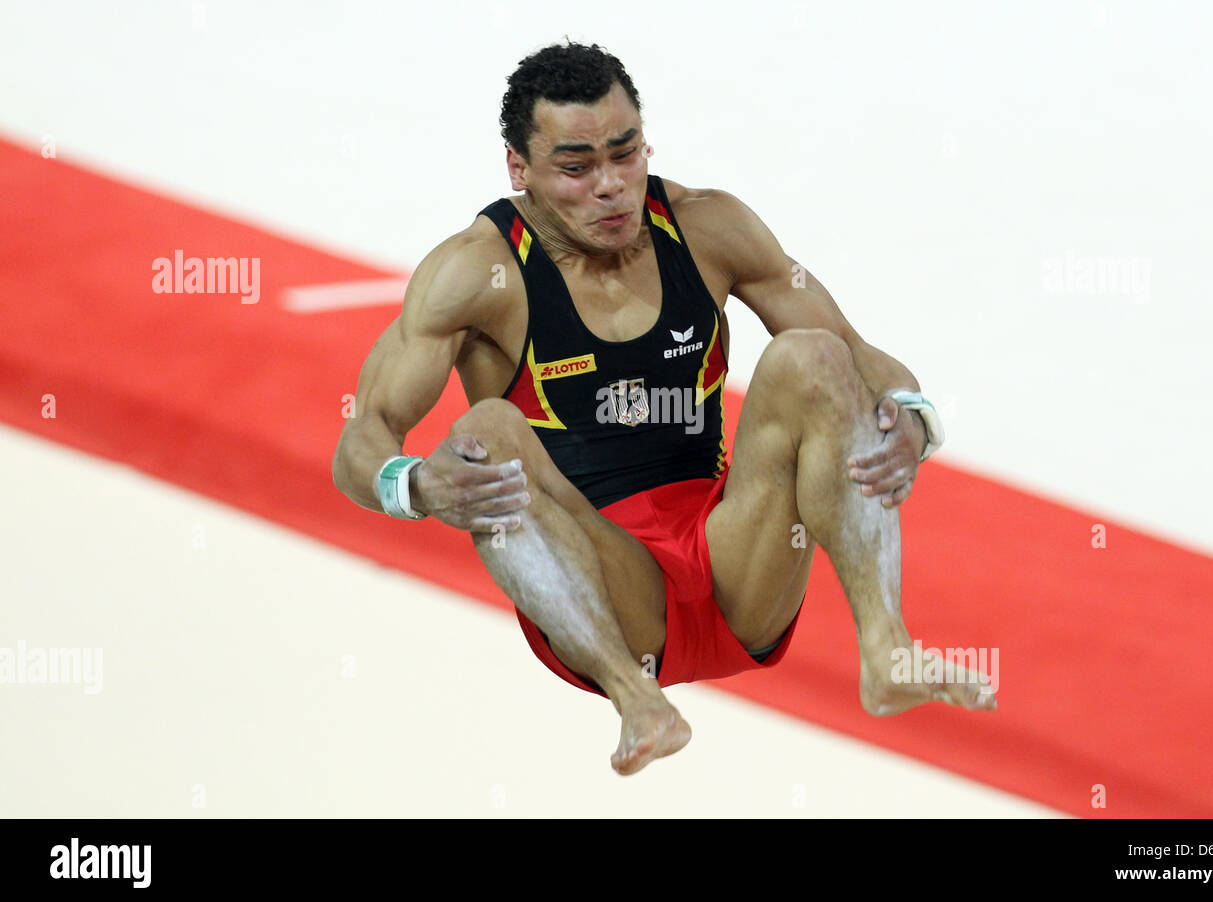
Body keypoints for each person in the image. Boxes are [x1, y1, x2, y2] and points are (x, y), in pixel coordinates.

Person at [332, 40, 994, 776]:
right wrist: (416, 486)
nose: (612, 186)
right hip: (607, 594)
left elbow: (857, 350)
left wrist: (912, 415)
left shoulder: (708, 227)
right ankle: (635, 698)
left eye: (626, 153)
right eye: (577, 168)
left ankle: (886, 649)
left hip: (738, 564)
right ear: (518, 169)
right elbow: (363, 438)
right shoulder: (472, 273)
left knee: (811, 355)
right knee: (487, 432)